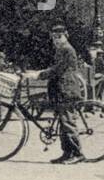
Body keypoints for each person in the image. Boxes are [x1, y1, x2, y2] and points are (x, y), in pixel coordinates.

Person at [37, 24, 86, 164]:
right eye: (54, 38)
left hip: (67, 90)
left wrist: (39, 75)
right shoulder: (61, 49)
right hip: (61, 90)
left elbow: (58, 70)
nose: (56, 40)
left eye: (59, 37)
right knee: (63, 123)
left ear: (66, 36)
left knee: (68, 122)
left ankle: (77, 153)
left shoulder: (67, 50)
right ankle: (67, 153)